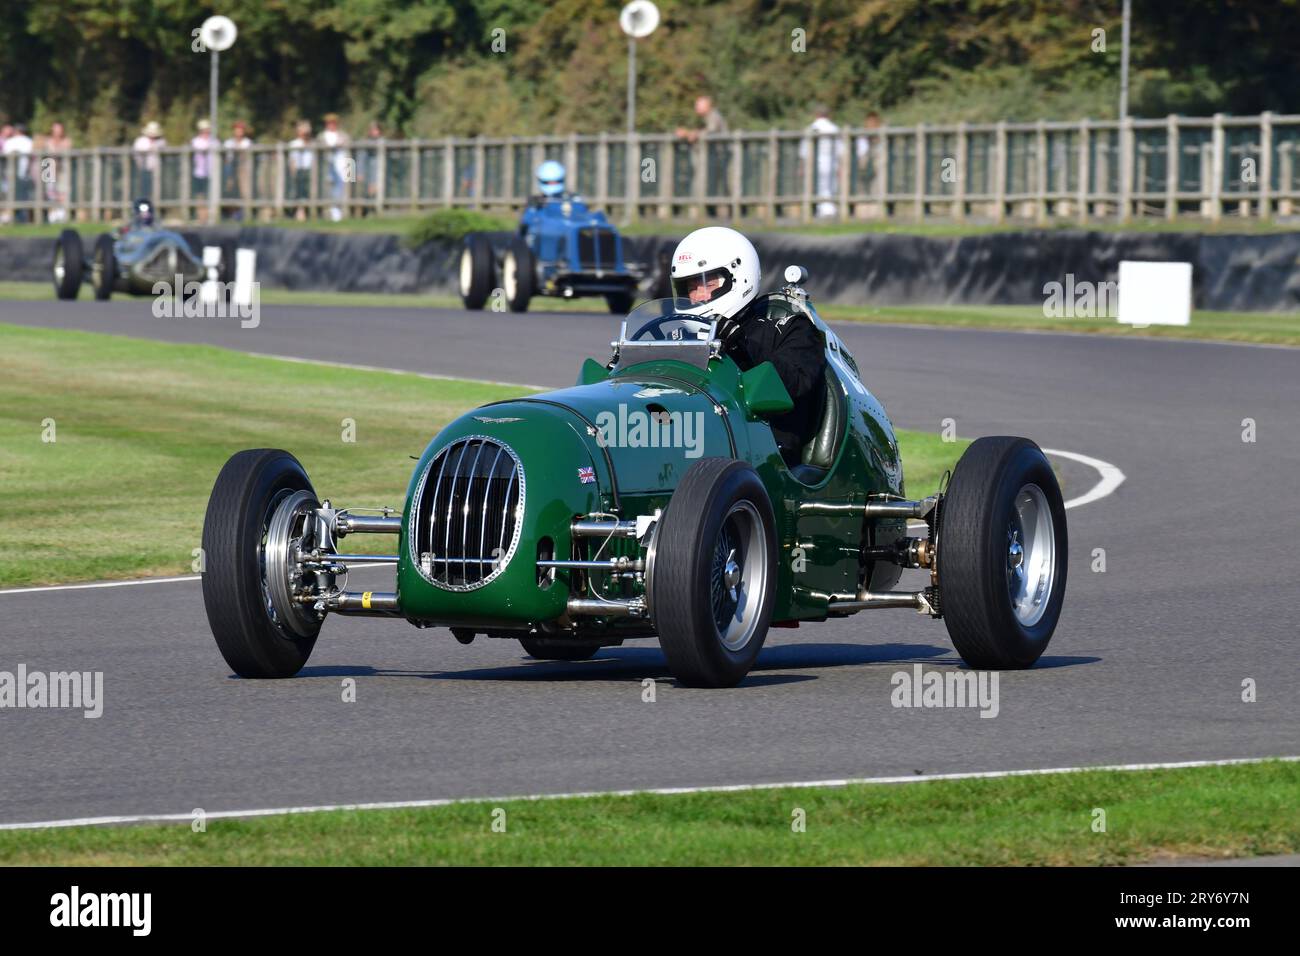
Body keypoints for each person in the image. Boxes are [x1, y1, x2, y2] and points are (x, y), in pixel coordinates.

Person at [669, 226, 827, 468]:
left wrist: (740, 346)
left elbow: (794, 383)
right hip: (696, 442)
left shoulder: (792, 329)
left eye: (707, 283)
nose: (698, 296)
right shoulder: (681, 336)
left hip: (766, 455)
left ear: (738, 275)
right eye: (690, 287)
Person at [799, 105, 843, 218]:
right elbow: (840, 150)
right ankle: (829, 209)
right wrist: (841, 165)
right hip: (831, 161)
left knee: (819, 186)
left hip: (815, 163)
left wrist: (802, 166)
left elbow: (804, 151)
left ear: (816, 114)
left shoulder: (810, 128)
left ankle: (820, 209)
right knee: (831, 185)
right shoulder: (834, 128)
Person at [319, 113, 351, 221]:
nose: (331, 124)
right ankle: (331, 213)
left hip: (345, 165)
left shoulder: (343, 135)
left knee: (344, 188)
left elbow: (350, 146)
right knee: (331, 189)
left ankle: (344, 212)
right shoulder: (322, 136)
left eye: (333, 122)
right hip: (328, 167)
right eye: (329, 122)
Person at [2, 122, 34, 222]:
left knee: (10, 195)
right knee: (23, 196)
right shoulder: (29, 142)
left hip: (9, 173)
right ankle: (23, 217)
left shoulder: (9, 142)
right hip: (24, 173)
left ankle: (14, 217)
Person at [222, 119, 253, 220]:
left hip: (243, 168)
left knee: (244, 191)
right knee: (231, 191)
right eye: (237, 129)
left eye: (241, 129)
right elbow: (226, 158)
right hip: (231, 169)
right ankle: (232, 213)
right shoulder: (228, 143)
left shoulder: (247, 142)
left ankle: (245, 213)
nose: (239, 131)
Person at [42, 121, 72, 222]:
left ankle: (62, 215)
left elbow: (65, 149)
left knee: (63, 191)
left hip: (63, 169)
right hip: (49, 167)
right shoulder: (47, 141)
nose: (57, 131)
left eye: (59, 129)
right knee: (50, 192)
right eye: (55, 129)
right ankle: (52, 215)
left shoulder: (67, 140)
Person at [287, 120, 314, 220]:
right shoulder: (294, 144)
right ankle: (299, 211)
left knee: (307, 192)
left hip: (310, 171)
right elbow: (292, 160)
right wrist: (293, 172)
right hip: (298, 170)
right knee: (298, 192)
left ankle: (306, 211)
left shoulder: (313, 143)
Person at [132, 121, 165, 201]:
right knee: (143, 190)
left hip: (157, 171)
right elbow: (136, 154)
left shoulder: (161, 142)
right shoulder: (140, 141)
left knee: (156, 190)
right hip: (143, 170)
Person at [190, 119, 213, 219]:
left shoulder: (214, 140)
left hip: (212, 173)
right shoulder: (196, 141)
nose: (205, 132)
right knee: (200, 194)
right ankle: (201, 216)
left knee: (210, 194)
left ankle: (210, 216)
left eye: (207, 130)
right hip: (199, 172)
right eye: (203, 130)